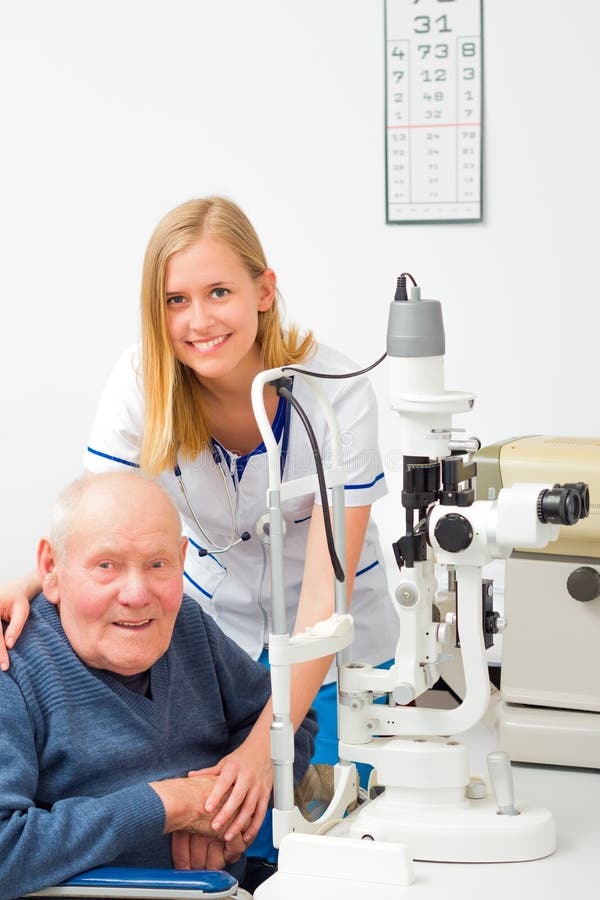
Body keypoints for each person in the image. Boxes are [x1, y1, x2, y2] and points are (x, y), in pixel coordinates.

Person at [0, 195, 397, 855]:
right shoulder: (140, 383)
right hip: (225, 632)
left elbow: (327, 596)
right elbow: (99, 524)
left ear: (264, 291)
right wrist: (28, 585)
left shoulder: (335, 392)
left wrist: (260, 753)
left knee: (325, 840)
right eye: (176, 300)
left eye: (219, 292)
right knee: (227, 829)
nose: (199, 320)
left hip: (333, 645)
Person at [0, 471, 317, 900]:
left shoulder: (188, 627)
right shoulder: (12, 665)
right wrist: (172, 805)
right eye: (106, 565)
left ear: (182, 560)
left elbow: (294, 718)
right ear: (51, 569)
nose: (136, 593)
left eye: (157, 564)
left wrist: (228, 807)